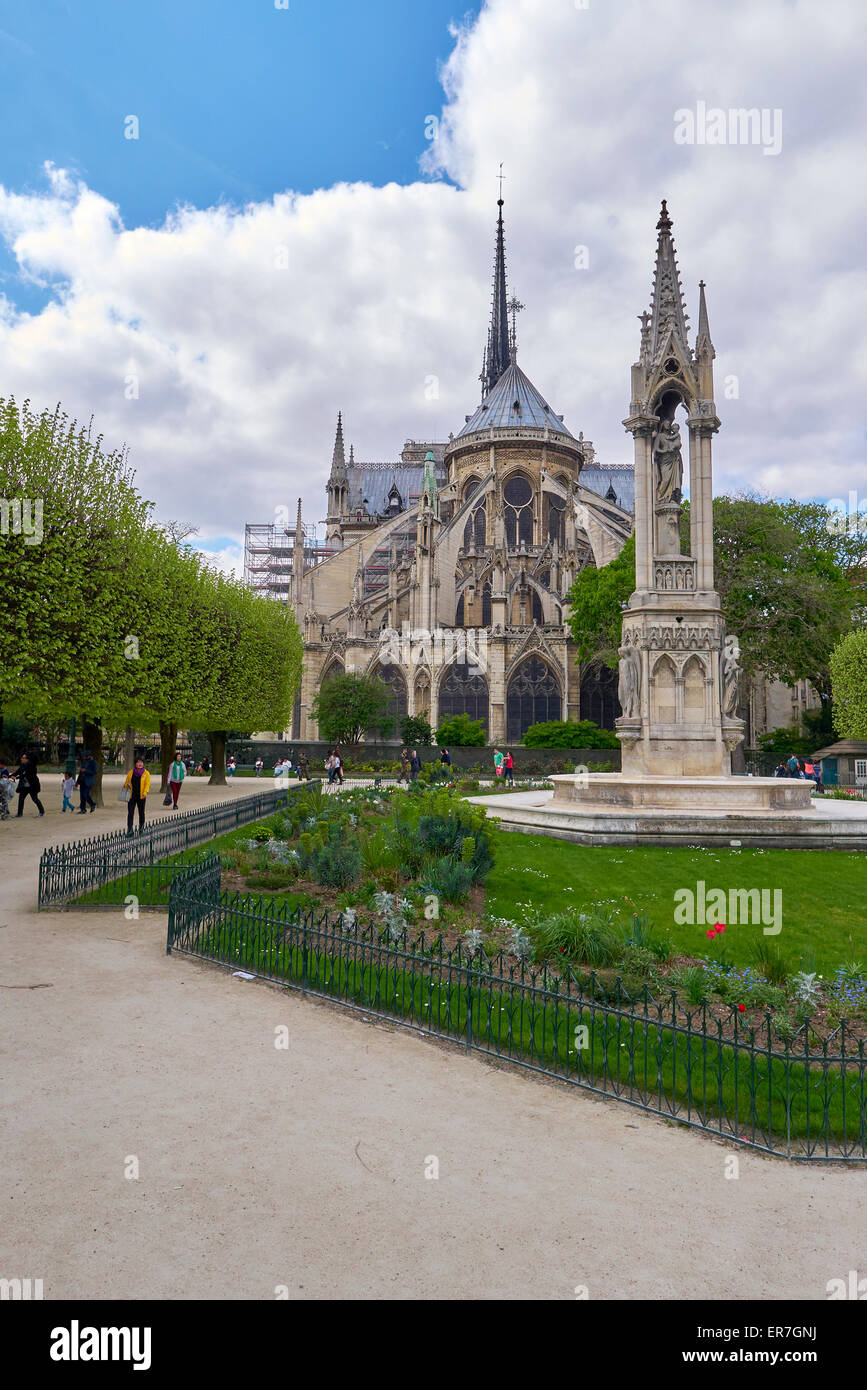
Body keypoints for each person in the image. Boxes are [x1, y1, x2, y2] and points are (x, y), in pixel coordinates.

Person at [124, 758, 150, 834]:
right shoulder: (131, 773)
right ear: (135, 764)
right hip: (131, 796)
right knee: (130, 813)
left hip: (141, 796)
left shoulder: (146, 773)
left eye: (141, 762)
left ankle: (141, 828)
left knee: (141, 812)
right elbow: (126, 783)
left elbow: (147, 784)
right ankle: (130, 829)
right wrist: (127, 785)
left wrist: (145, 792)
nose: (140, 764)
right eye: (138, 762)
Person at [15, 753, 45, 817]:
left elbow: (26, 775)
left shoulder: (31, 766)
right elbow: (17, 772)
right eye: (22, 757)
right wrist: (9, 776)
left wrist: (16, 777)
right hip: (25, 786)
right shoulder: (23, 765)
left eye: (23, 758)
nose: (21, 759)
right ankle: (19, 813)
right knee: (21, 799)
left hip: (32, 786)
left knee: (35, 799)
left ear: (27, 759)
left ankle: (41, 811)